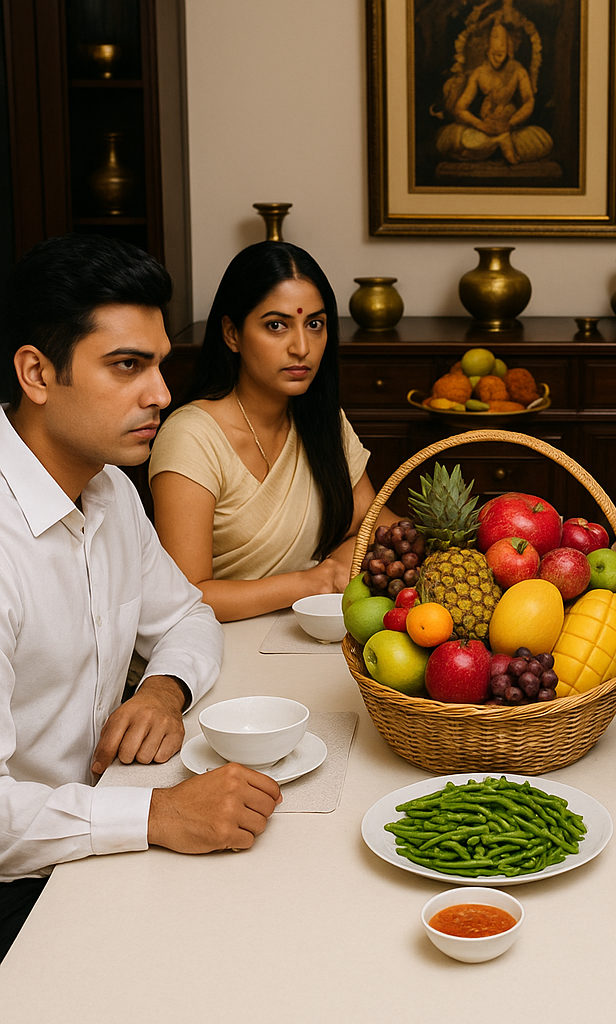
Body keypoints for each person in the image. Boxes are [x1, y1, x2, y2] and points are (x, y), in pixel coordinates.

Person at [0, 234, 282, 962]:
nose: (160, 393)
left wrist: (163, 687)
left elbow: (185, 612)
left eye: (159, 365)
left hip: (95, 840)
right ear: (35, 372)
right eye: (127, 366)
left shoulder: (109, 492)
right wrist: (157, 815)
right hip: (22, 888)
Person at [149, 242, 396, 623]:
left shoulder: (323, 420)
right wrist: (315, 581)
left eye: (315, 324)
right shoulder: (192, 437)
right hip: (212, 645)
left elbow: (377, 524)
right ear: (232, 334)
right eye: (276, 325)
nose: (302, 347)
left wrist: (336, 566)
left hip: (311, 629)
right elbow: (187, 595)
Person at [436, 21, 553, 165]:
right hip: (483, 130)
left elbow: (529, 100)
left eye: (501, 54)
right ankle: (497, 142)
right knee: (450, 138)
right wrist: (481, 125)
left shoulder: (517, 70)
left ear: (508, 51)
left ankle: (487, 147)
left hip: (511, 129)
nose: (498, 59)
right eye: (494, 54)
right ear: (487, 51)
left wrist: (511, 123)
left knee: (542, 141)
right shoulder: (479, 73)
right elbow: (460, 108)